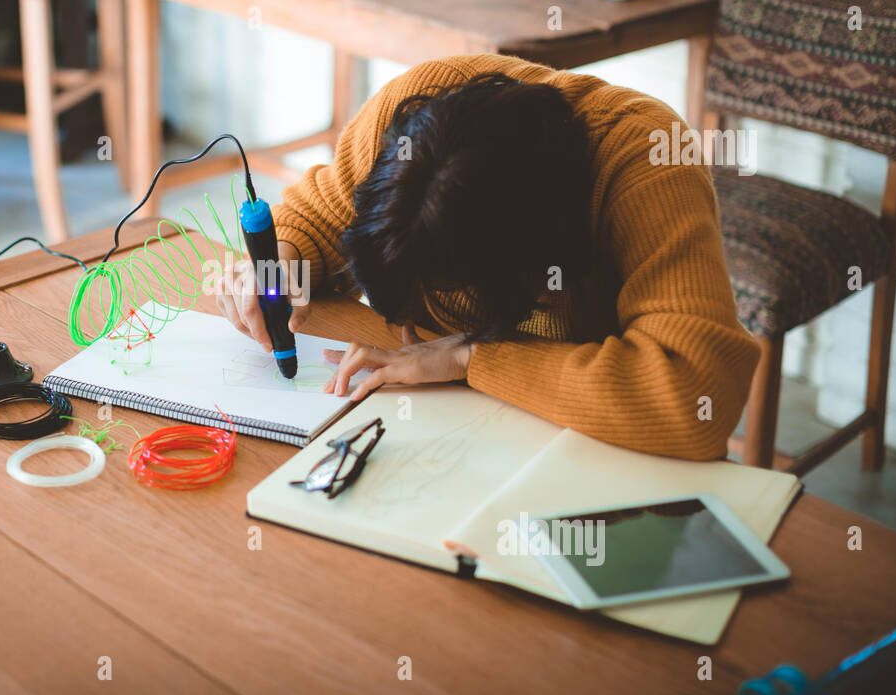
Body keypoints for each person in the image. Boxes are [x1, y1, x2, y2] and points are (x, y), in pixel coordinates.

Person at [214, 54, 758, 461]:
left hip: (578, 446)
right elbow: (322, 210)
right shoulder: (415, 111)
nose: (408, 324)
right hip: (439, 428)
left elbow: (694, 394)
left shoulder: (649, 163)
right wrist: (284, 258)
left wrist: (471, 358)